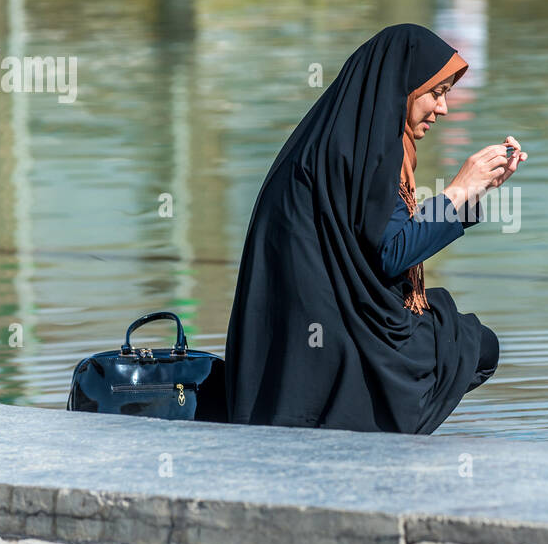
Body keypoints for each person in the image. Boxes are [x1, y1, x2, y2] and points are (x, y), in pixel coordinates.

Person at [224, 23, 526, 434]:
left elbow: (379, 247)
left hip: (320, 329)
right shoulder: (367, 151)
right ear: (400, 87)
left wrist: (476, 190)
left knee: (458, 336)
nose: (443, 109)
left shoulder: (339, 139)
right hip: (340, 335)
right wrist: (458, 191)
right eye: (435, 94)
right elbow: (393, 253)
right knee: (473, 345)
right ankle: (384, 441)